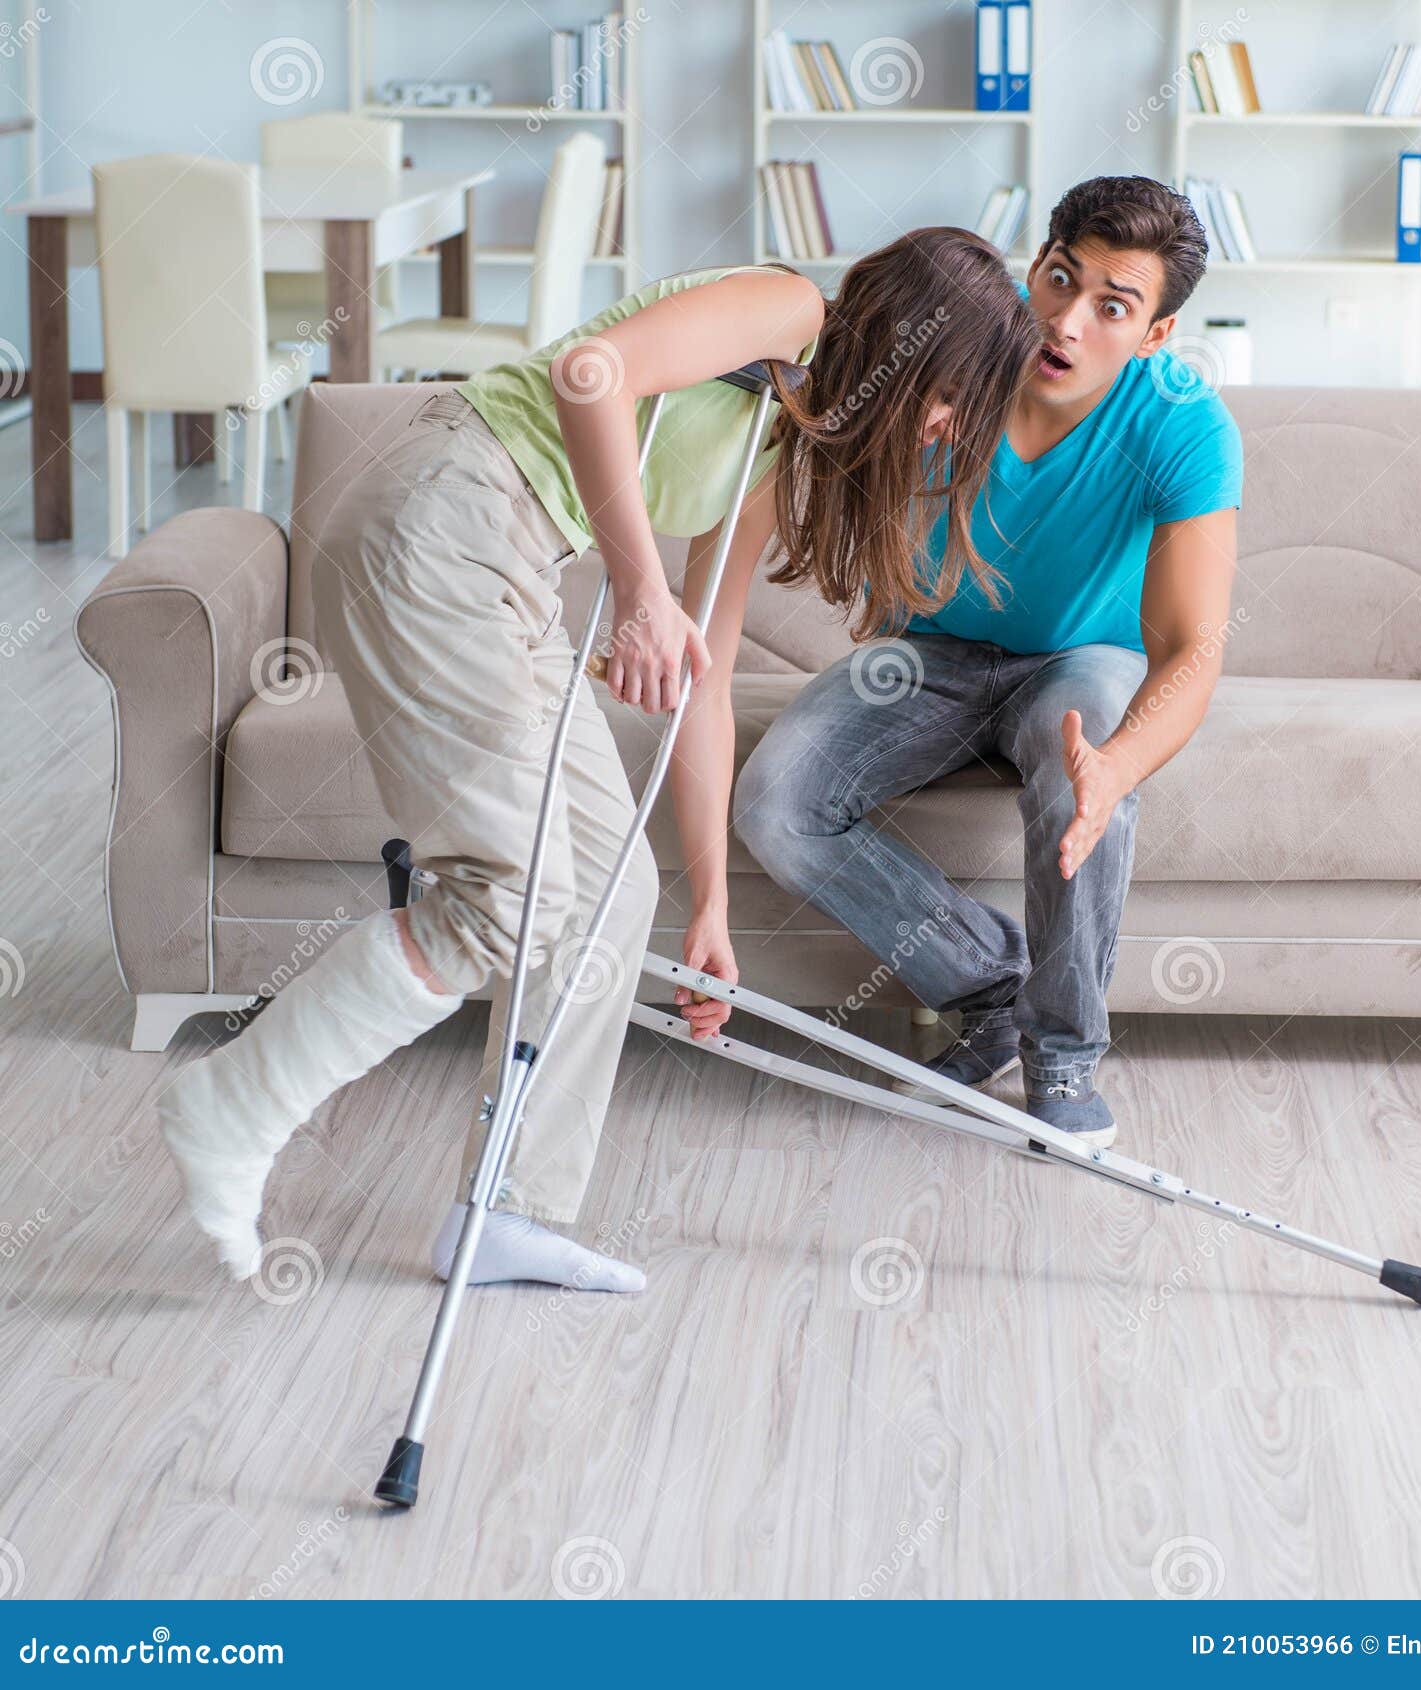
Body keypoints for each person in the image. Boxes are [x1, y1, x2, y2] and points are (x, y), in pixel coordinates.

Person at [156, 229, 1042, 1290]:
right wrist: (637, 591)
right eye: (950, 395)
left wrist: (709, 905)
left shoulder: (778, 445)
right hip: (442, 518)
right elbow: (591, 374)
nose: (943, 427)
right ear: (908, 339)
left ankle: (508, 1212)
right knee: (507, 895)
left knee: (611, 898)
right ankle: (233, 1103)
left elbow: (701, 677)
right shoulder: (785, 308)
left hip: (516, 567)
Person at [711, 177, 1244, 1150]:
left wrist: (1114, 769)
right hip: (931, 657)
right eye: (1058, 278)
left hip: (1082, 659)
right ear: (1031, 266)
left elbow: (1189, 646)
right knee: (774, 801)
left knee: (1082, 760)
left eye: (1111, 306)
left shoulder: (1179, 421)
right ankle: (983, 985)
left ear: (1155, 334)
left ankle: (1062, 1050)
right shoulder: (949, 362)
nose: (1066, 321)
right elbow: (819, 387)